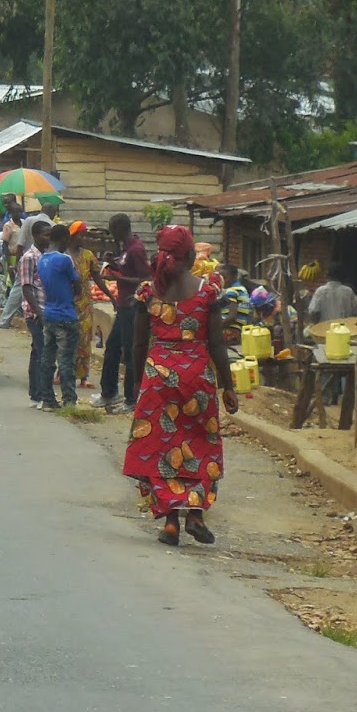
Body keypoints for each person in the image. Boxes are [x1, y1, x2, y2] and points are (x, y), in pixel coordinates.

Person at [123, 224, 238, 546]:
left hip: (158, 376)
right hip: (197, 376)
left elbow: (137, 345)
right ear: (190, 255)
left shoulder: (148, 292)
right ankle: (197, 513)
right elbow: (216, 343)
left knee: (160, 446)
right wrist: (228, 386)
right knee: (200, 443)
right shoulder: (207, 290)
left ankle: (171, 521)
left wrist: (136, 382)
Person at [97, 212, 151, 413]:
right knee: (112, 347)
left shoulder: (136, 250)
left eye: (113, 230)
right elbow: (127, 270)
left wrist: (117, 278)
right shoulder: (126, 249)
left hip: (131, 306)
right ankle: (109, 393)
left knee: (130, 351)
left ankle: (131, 398)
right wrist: (114, 264)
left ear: (121, 228)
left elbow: (145, 279)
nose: (111, 234)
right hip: (122, 305)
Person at [37, 223, 82, 409]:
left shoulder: (41, 260)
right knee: (66, 360)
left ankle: (47, 399)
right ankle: (69, 400)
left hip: (49, 312)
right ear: (64, 239)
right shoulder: (64, 259)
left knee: (47, 358)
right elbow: (77, 286)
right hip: (65, 314)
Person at [68, 221, 111, 389]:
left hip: (84, 304)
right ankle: (63, 373)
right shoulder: (63, 255)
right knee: (67, 341)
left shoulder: (88, 256)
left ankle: (83, 377)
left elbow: (97, 278)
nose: (83, 238)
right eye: (81, 235)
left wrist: (110, 296)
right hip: (67, 303)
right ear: (72, 236)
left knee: (84, 340)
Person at [18, 218, 50, 406]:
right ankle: (38, 394)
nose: (48, 238)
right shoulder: (29, 257)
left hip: (46, 309)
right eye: (46, 235)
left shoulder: (46, 256)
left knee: (38, 352)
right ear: (36, 236)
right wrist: (39, 312)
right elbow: (26, 287)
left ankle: (36, 392)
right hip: (36, 312)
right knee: (41, 352)